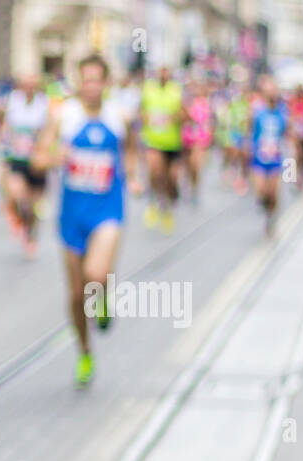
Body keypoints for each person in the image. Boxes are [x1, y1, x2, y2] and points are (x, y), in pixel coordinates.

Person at [32, 53, 138, 388]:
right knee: (77, 294)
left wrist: (132, 175)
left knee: (95, 274)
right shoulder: (63, 116)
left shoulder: (119, 116)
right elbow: (37, 159)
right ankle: (84, 351)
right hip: (72, 215)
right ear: (78, 82)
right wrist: (53, 158)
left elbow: (132, 150)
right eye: (86, 80)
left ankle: (103, 296)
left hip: (107, 210)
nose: (91, 87)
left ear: (106, 83)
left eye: (97, 80)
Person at [0, 72, 50, 255]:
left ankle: (30, 235)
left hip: (36, 162)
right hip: (16, 159)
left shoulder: (44, 104)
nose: (29, 88)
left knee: (34, 207)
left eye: (32, 84)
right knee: (20, 197)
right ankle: (18, 219)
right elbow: (2, 124)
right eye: (25, 84)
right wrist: (4, 145)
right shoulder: (10, 102)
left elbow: (51, 130)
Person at [141, 66, 186, 233]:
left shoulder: (177, 90)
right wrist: (147, 118)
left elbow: (185, 114)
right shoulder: (148, 89)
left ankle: (167, 208)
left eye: (167, 70)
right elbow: (141, 111)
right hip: (154, 141)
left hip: (172, 143)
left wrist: (172, 118)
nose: (163, 73)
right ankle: (153, 202)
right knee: (155, 172)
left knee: (171, 178)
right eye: (161, 70)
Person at [249, 76, 290, 236]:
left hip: (276, 159)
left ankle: (270, 218)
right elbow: (249, 131)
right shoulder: (257, 110)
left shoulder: (283, 111)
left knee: (273, 194)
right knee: (261, 191)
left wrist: (291, 170)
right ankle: (265, 207)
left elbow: (288, 136)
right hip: (259, 157)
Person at [181, 78, 213, 205]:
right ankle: (187, 186)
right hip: (186, 139)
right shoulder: (184, 103)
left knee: (195, 166)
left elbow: (206, 123)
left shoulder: (203, 104)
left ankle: (194, 189)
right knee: (186, 166)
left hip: (198, 140)